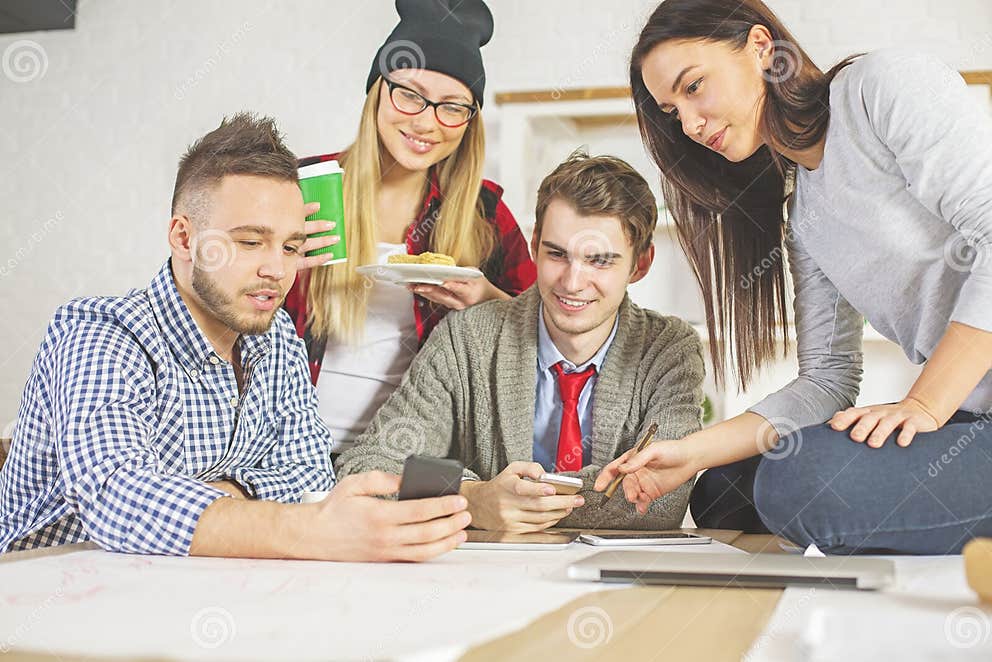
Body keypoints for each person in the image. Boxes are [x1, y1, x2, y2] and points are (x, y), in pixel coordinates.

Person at [595, 0, 992, 554]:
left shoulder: (880, 88)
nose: (687, 123)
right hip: (969, 424)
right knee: (724, 491)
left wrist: (923, 407)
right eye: (671, 111)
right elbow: (827, 380)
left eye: (693, 87)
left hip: (957, 420)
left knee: (796, 484)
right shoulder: (803, 216)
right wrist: (696, 451)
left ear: (761, 48)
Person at [0, 113, 470, 562]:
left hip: (188, 594)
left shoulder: (278, 336)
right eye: (250, 242)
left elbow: (307, 476)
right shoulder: (100, 333)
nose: (278, 269)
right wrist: (303, 525)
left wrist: (223, 499)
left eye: (291, 246)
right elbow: (118, 497)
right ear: (184, 239)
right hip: (40, 595)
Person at [336, 152, 705, 532]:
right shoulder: (466, 340)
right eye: (557, 254)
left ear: (640, 264)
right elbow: (367, 468)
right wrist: (471, 498)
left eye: (599, 261)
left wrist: (513, 502)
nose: (572, 282)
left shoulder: (669, 350)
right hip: (485, 580)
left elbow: (663, 498)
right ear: (533, 246)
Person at [284, 0, 535, 453]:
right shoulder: (301, 187)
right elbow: (215, 305)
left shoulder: (486, 213)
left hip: (410, 459)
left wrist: (488, 300)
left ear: (469, 120)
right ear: (378, 89)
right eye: (410, 94)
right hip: (288, 453)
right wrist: (274, 265)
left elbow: (546, 331)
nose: (425, 121)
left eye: (452, 107)